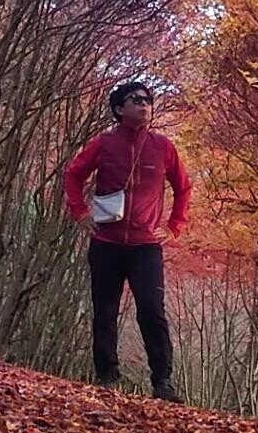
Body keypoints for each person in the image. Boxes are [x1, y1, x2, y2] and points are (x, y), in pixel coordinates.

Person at [63, 81, 191, 402]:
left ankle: (163, 381)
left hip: (146, 245)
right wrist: (79, 213)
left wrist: (174, 226)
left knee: (151, 309)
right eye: (136, 100)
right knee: (104, 309)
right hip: (106, 241)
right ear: (120, 109)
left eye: (148, 100)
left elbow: (184, 186)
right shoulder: (104, 144)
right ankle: (107, 376)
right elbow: (73, 174)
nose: (144, 104)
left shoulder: (163, 147)